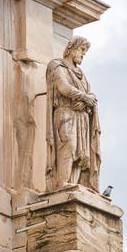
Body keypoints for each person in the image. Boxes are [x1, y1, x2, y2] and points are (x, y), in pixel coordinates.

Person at [45, 36, 101, 191]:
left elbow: (91, 94)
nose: (83, 54)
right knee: (69, 145)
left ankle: (73, 182)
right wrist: (84, 97)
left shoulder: (81, 74)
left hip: (81, 116)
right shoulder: (57, 66)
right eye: (82, 50)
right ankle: (62, 182)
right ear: (71, 48)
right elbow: (63, 87)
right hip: (65, 113)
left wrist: (86, 101)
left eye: (85, 52)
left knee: (81, 153)